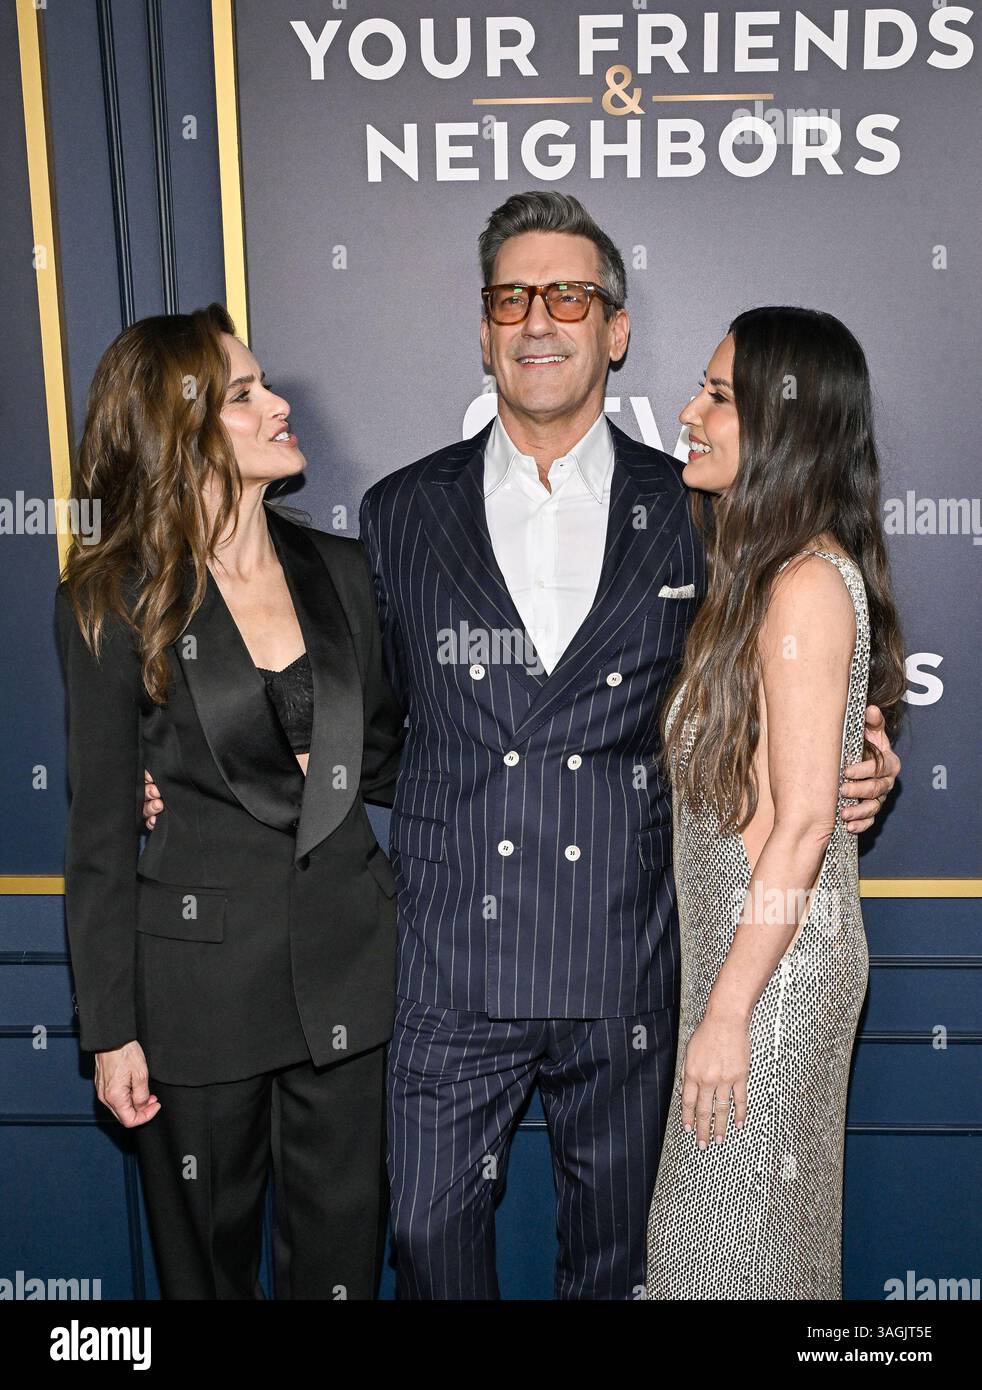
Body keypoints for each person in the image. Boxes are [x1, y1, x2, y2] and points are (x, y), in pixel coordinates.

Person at [354, 192, 900, 1299]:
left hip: (630, 959)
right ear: (483, 324)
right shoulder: (398, 510)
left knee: (626, 1267)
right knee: (425, 1241)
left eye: (569, 294)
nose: (538, 320)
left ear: (615, 328)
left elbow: (787, 689)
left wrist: (861, 751)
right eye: (511, 296)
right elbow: (360, 723)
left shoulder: (700, 509)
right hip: (452, 963)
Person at [57, 303, 404, 1299]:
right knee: (203, 1275)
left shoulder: (341, 570)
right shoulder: (110, 601)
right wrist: (110, 1029)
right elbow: (96, 836)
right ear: (181, 426)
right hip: (195, 998)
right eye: (245, 393)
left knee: (338, 1270)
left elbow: (387, 757)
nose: (279, 403)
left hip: (350, 980)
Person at [644, 307, 907, 1299]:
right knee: (749, 1260)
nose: (690, 411)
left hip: (771, 972)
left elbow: (801, 824)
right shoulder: (759, 577)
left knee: (712, 1261)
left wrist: (728, 1010)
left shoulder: (803, 584)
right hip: (749, 962)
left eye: (717, 394)